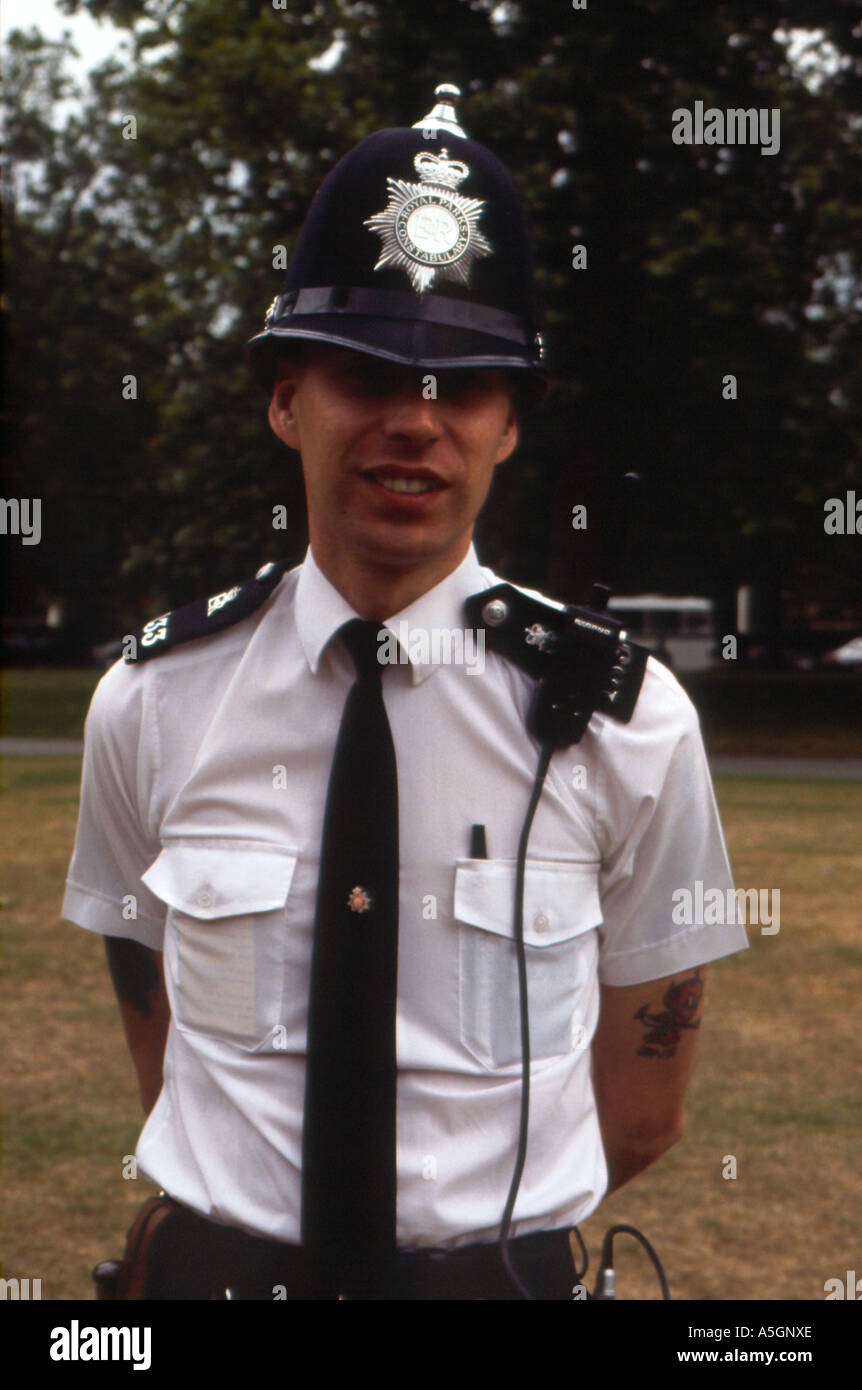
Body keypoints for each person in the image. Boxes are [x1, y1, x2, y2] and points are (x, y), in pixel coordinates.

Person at [63, 85, 747, 1301]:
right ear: (286, 399)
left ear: (509, 426)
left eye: (464, 384)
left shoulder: (626, 721)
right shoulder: (150, 702)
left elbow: (642, 1111)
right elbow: (165, 1051)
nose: (414, 422)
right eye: (366, 373)